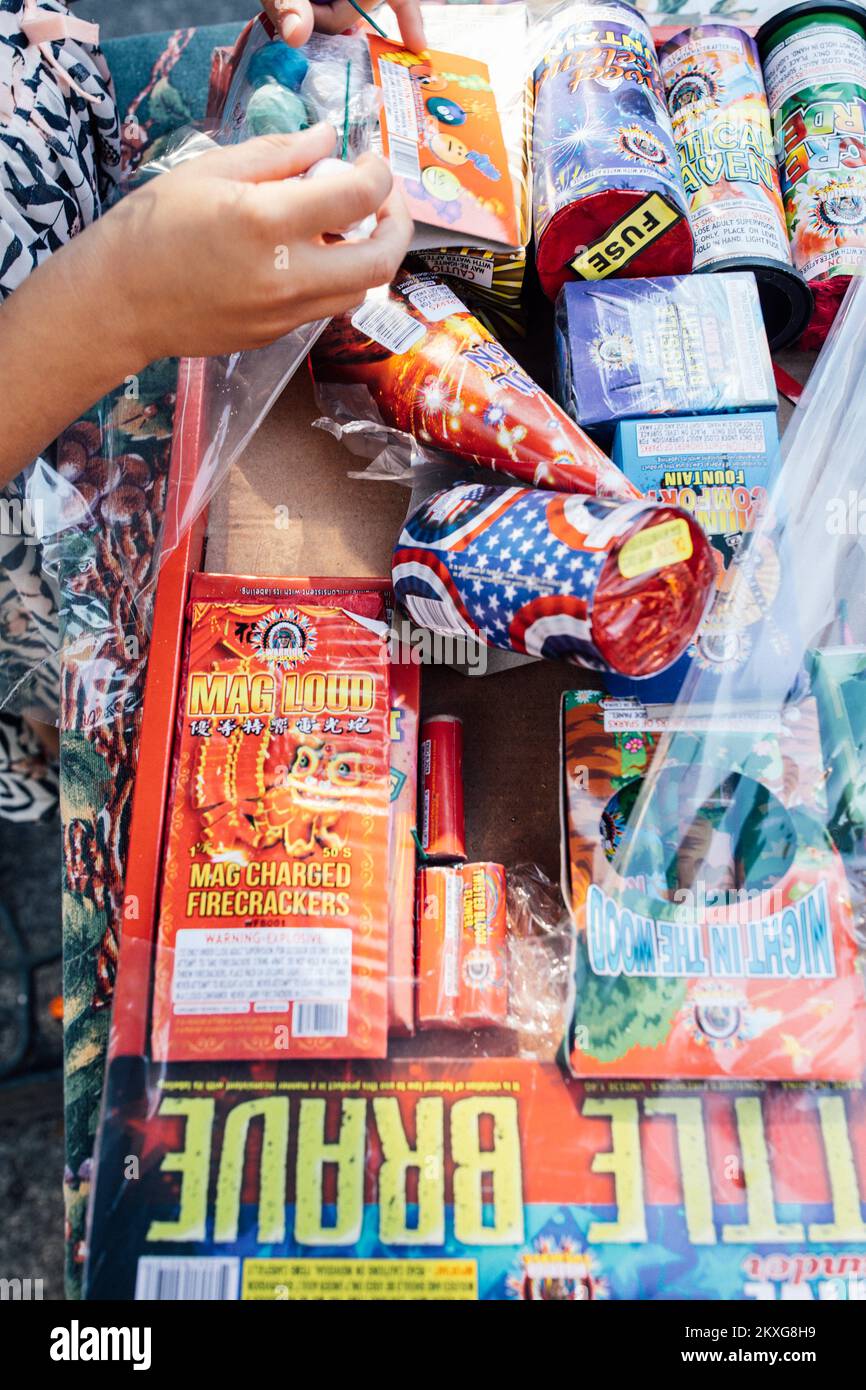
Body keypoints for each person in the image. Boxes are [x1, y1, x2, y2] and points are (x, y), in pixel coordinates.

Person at [0, 0, 422, 813]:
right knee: (70, 669)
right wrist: (115, 300)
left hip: (58, 141)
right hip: (25, 471)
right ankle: (46, 733)